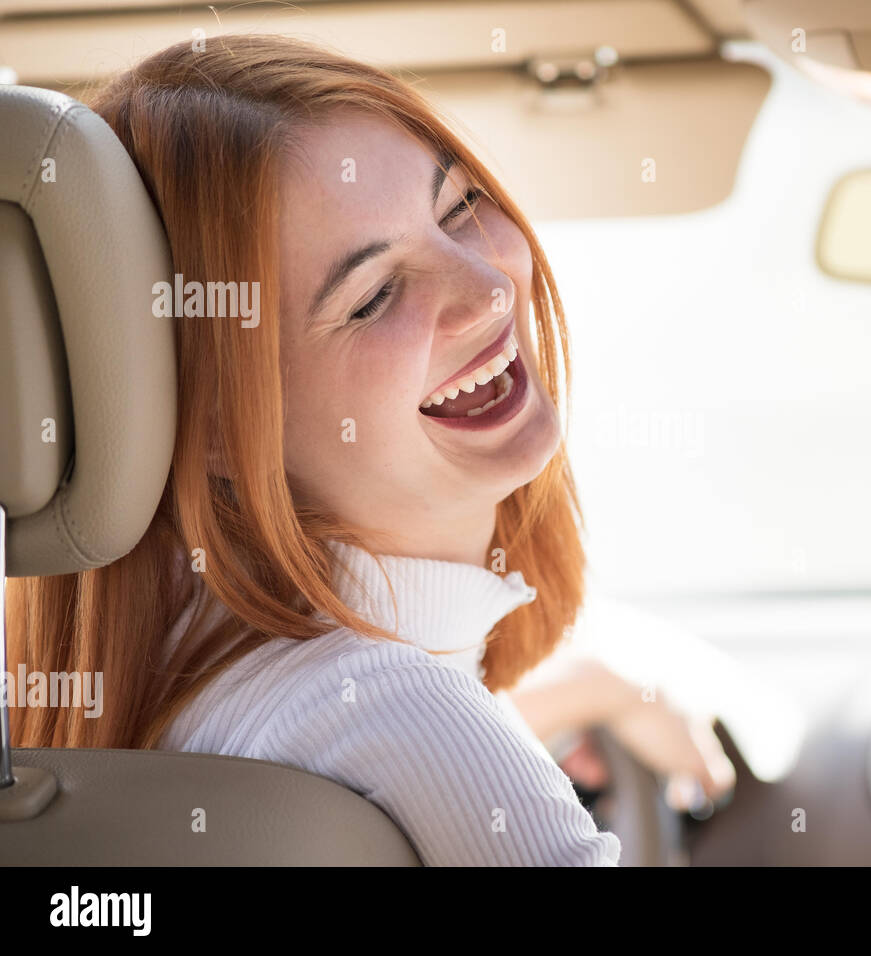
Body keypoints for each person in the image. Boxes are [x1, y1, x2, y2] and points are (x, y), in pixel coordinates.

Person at [5, 32, 724, 865]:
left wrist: (578, 693)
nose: (489, 289)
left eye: (458, 208)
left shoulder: (164, 682)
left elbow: (351, 729)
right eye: (374, 296)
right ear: (211, 428)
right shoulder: (407, 714)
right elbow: (404, 728)